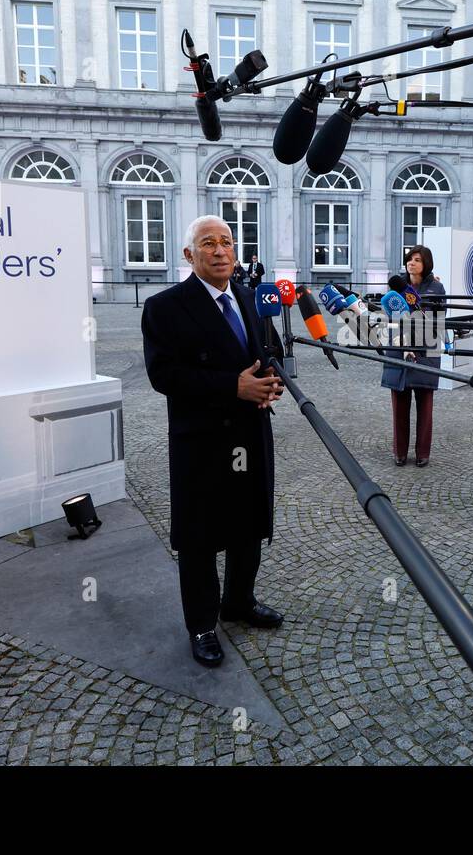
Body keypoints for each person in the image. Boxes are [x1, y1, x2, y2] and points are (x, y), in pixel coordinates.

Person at [141, 215, 286, 668]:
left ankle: (239, 602)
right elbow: (163, 375)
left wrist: (270, 381)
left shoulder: (246, 296)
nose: (221, 250)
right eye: (209, 243)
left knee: (248, 525)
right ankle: (202, 625)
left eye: (226, 242)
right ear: (189, 255)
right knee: (200, 536)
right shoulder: (165, 306)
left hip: (250, 433)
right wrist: (232, 387)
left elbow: (268, 353)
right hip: (201, 440)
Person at [381, 245, 446, 467]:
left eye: (417, 259)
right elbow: (388, 316)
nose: (412, 263)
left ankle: (422, 453)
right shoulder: (396, 286)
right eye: (409, 259)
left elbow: (439, 321)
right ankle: (399, 452)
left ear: (425, 263)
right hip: (399, 348)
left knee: (425, 406)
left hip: (427, 349)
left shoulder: (436, 288)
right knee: (399, 405)